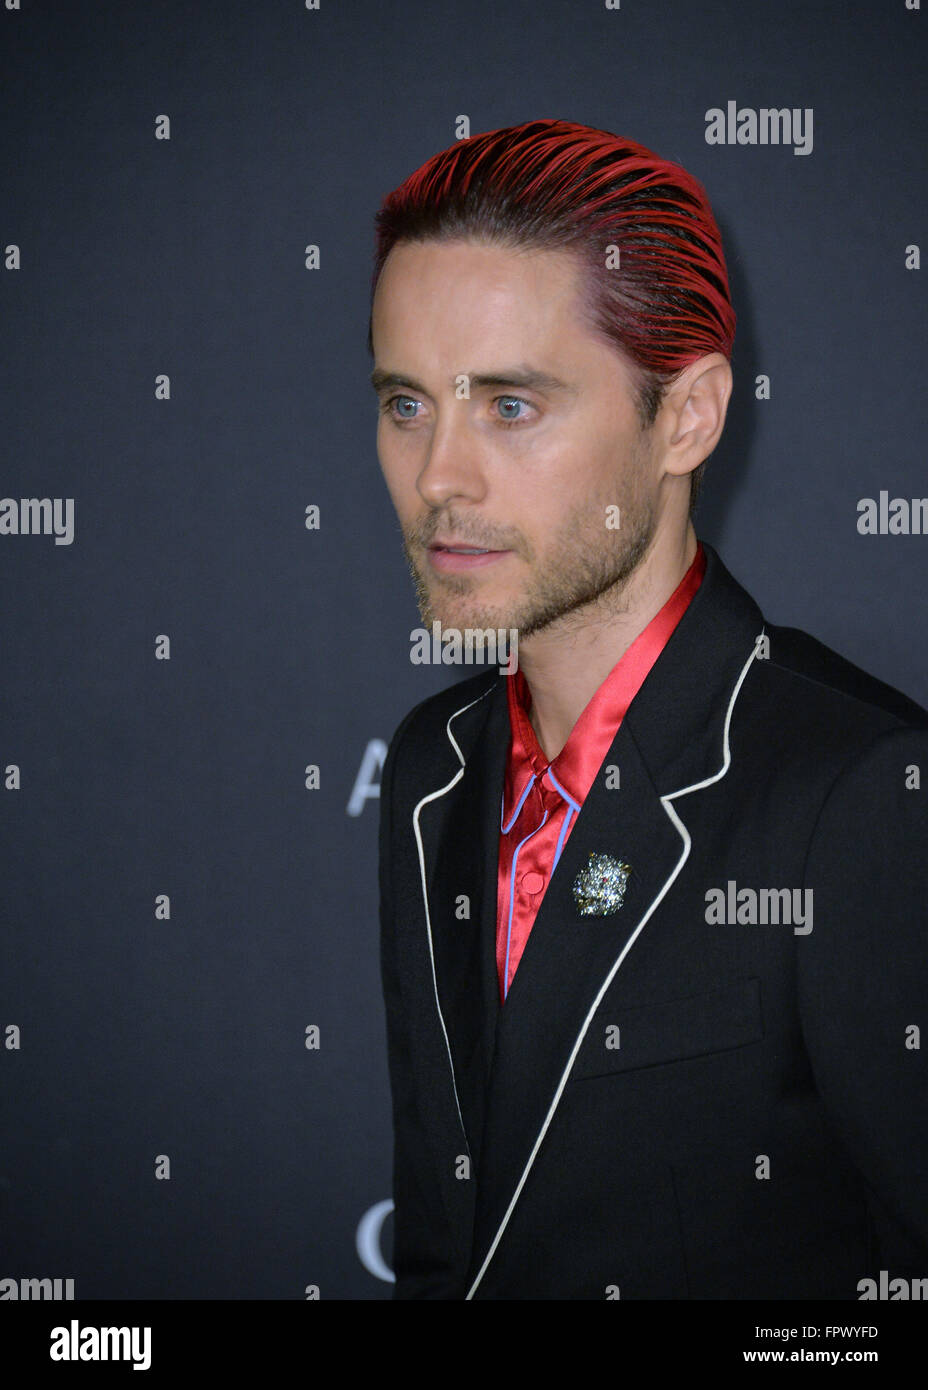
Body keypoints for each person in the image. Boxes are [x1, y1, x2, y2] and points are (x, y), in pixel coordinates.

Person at [369, 118, 928, 1299]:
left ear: (686, 416)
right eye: (408, 404)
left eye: (509, 406)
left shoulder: (863, 794)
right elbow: (446, 1237)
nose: (437, 479)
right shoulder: (433, 769)